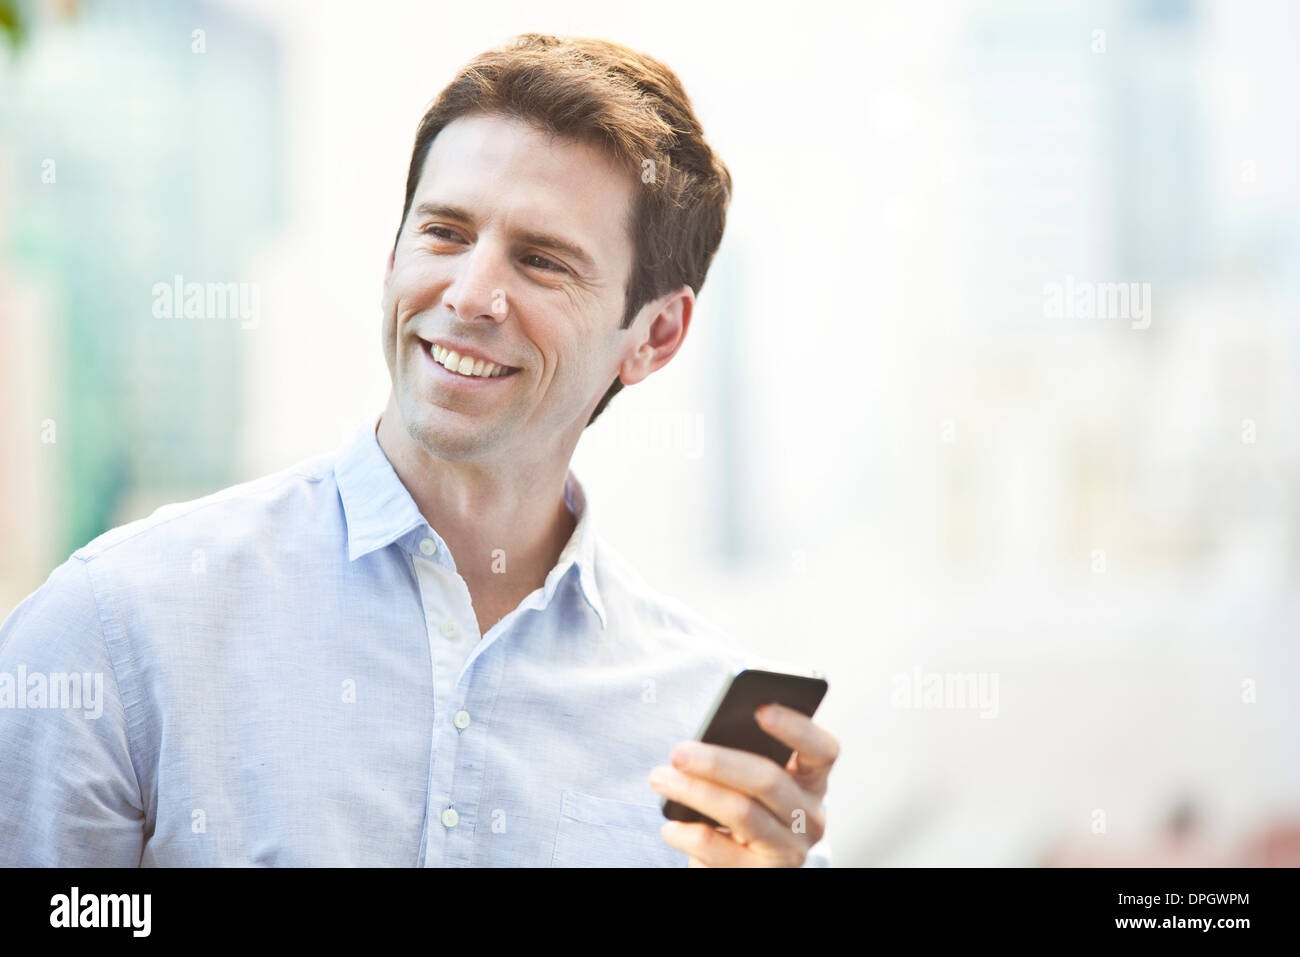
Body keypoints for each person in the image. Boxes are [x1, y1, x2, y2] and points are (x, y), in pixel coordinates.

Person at [0, 33, 838, 867]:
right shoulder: (113, 629)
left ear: (655, 335)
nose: (471, 295)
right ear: (393, 252)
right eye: (444, 232)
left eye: (542, 261)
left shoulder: (706, 737)